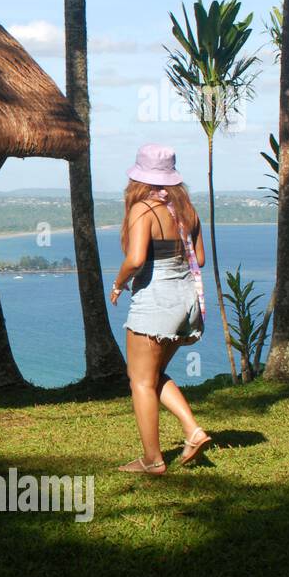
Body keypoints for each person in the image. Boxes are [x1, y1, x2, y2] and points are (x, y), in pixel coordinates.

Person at [108, 144, 212, 474]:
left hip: (157, 304)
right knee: (151, 376)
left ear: (138, 178)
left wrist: (118, 283)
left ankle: (152, 460)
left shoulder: (144, 209)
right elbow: (201, 260)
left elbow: (136, 259)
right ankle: (193, 431)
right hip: (186, 304)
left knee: (139, 381)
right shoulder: (187, 211)